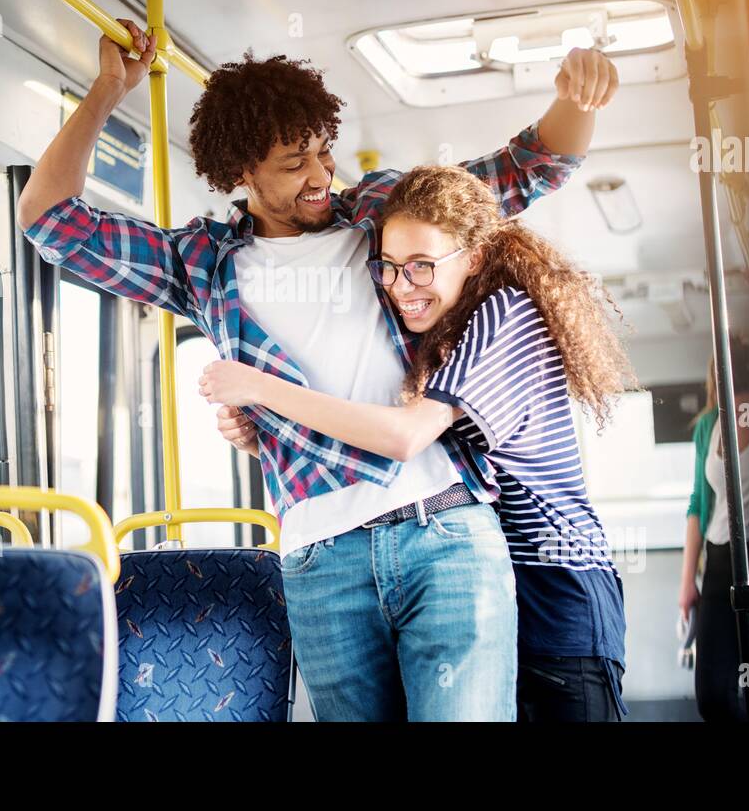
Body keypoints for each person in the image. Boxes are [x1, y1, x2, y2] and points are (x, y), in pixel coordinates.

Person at [17, 18, 617, 720]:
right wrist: (105, 91)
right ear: (241, 171)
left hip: (445, 535)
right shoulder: (203, 265)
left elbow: (526, 169)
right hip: (319, 559)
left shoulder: (379, 214)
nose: (320, 174)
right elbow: (50, 220)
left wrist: (579, 99)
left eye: (324, 152)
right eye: (295, 160)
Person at [203, 165, 635, 721]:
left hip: (557, 596)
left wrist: (261, 386)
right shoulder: (440, 337)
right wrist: (266, 440)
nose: (401, 287)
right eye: (389, 267)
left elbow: (405, 437)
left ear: (473, 258)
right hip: (514, 592)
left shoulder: (505, 317)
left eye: (421, 267)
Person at [678, 336, 749, 721]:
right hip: (719, 564)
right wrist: (687, 581)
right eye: (744, 409)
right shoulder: (708, 426)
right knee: (713, 694)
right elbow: (697, 505)